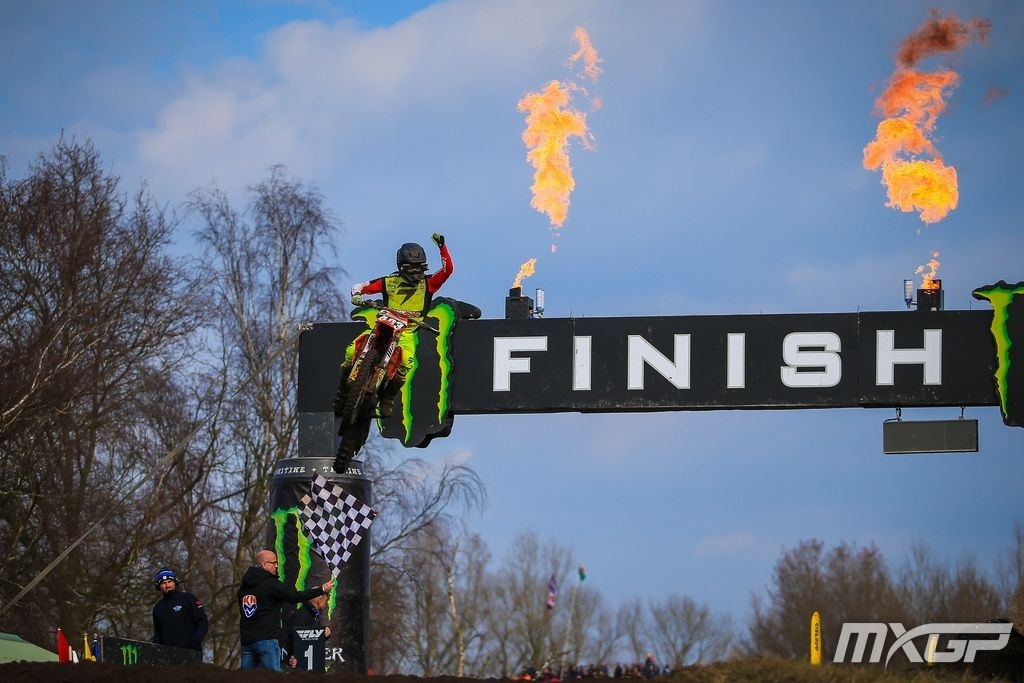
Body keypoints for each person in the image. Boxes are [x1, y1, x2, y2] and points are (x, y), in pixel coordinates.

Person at [332, 233, 453, 467]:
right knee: (350, 352)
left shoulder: (429, 284)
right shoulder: (389, 282)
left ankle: (388, 397)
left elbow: (447, 271)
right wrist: (357, 296)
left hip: (406, 331)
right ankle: (341, 391)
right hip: (383, 323)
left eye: (419, 267)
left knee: (407, 362)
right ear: (401, 266)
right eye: (410, 267)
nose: (415, 272)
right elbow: (362, 287)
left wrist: (442, 247)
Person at [237, 549, 334, 670]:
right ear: (264, 564)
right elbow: (293, 596)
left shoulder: (244, 587)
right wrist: (321, 590)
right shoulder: (270, 583)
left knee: (246, 677)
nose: (277, 566)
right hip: (266, 639)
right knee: (272, 677)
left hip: (247, 640)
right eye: (274, 562)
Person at [151, 567, 209, 657]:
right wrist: (154, 650)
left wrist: (196, 641)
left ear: (175, 582)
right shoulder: (158, 608)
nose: (167, 585)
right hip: (167, 655)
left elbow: (202, 621)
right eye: (164, 583)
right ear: (159, 586)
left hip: (191, 652)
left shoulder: (188, 598)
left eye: (170, 582)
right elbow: (157, 633)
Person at [283, 593, 331, 670]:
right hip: (300, 665)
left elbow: (312, 638)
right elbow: (293, 637)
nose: (327, 603)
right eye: (326, 599)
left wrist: (325, 633)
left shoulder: (314, 614)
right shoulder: (301, 615)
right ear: (318, 599)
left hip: (311, 664)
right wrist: (292, 656)